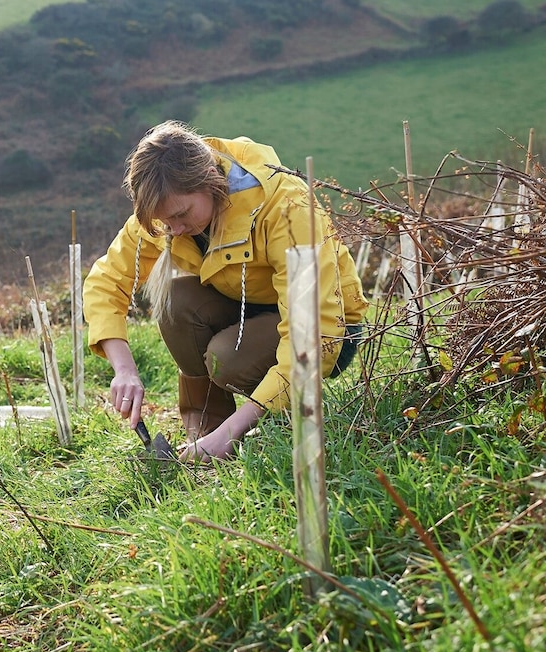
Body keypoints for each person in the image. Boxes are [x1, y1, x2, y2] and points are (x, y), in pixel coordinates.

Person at [83, 120, 368, 461]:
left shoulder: (286, 207)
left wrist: (234, 431)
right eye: (164, 222)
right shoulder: (168, 213)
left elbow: (316, 337)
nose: (174, 230)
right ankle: (205, 436)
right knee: (176, 302)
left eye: (182, 214)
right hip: (251, 307)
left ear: (210, 182)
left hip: (330, 331)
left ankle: (254, 428)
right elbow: (106, 280)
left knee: (225, 357)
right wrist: (125, 370)